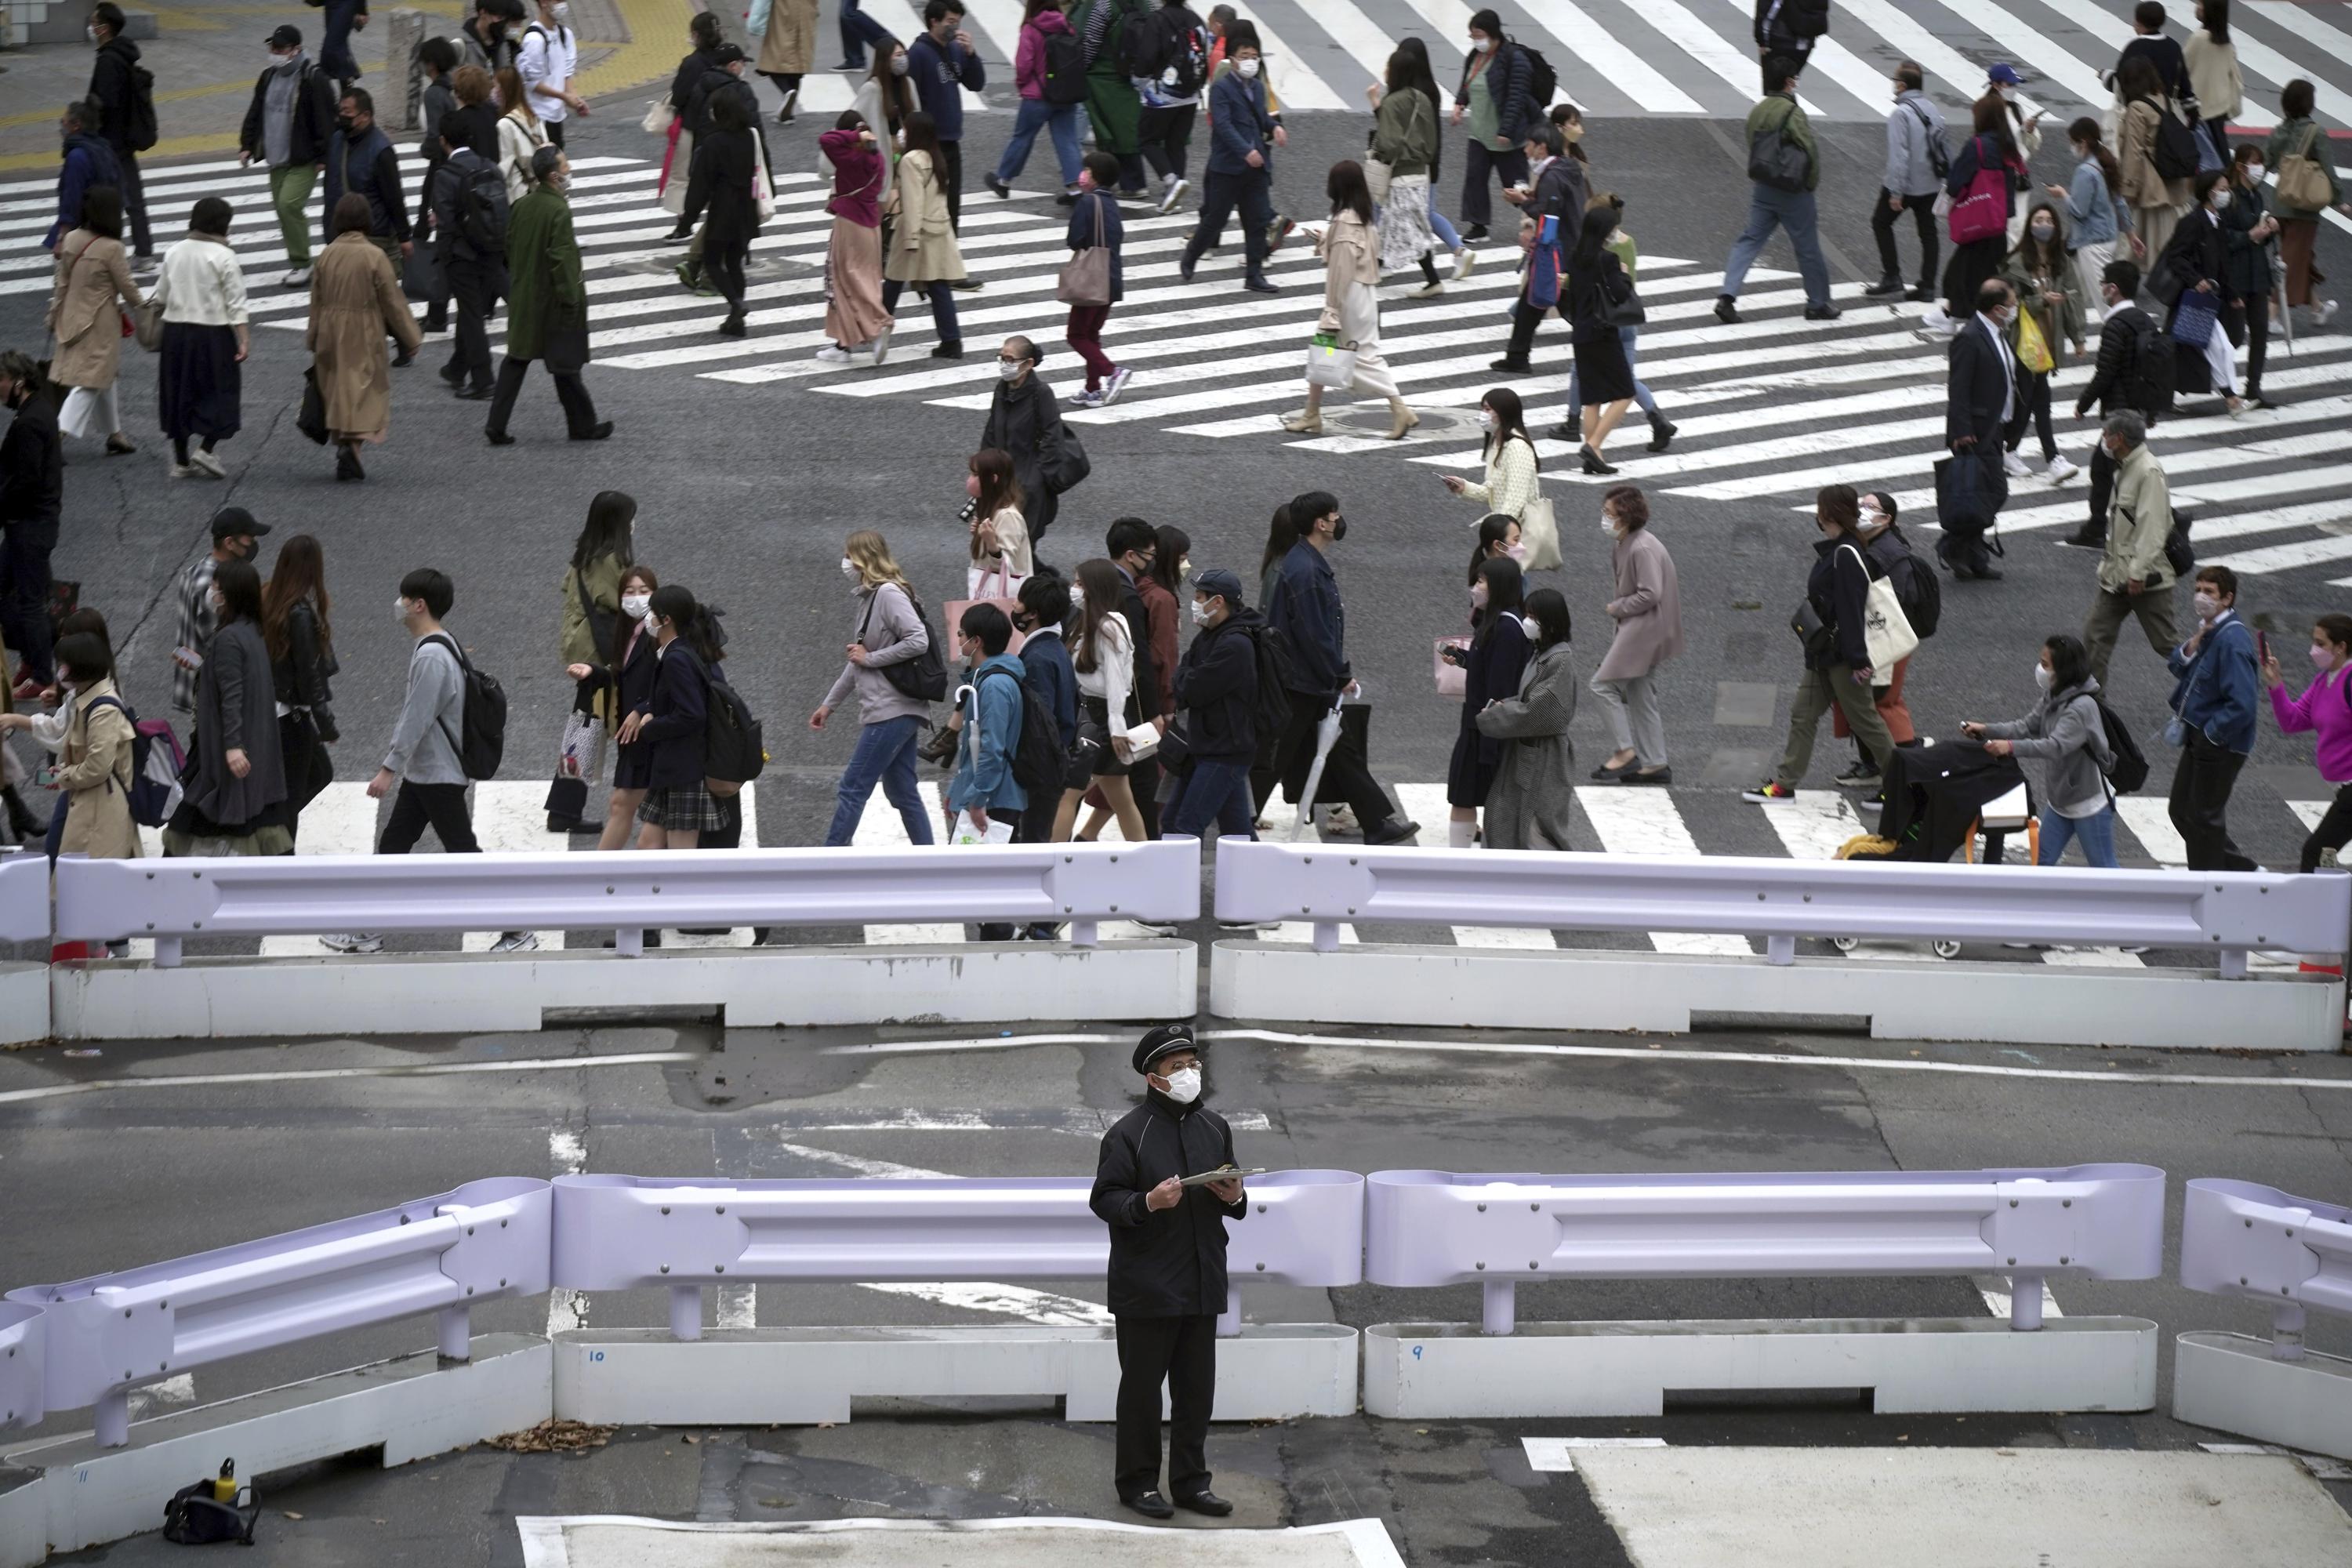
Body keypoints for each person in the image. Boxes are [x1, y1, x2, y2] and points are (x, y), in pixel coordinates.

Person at [324, 567, 533, 955]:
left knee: (464, 855)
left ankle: (518, 928)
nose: (399, 605)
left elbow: (416, 717)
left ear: (419, 605)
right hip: (427, 773)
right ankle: (367, 932)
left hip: (437, 773)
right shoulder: (441, 644)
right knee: (392, 848)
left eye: (404, 598)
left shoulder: (433, 656)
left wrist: (388, 768)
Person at [1091, 1024, 1245, 1519]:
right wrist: (1148, 1202)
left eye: (1193, 1064)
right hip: (1147, 1285)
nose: (1188, 1074)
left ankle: (1191, 1484)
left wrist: (1235, 1195)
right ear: (1154, 1079)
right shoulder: (1128, 1134)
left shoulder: (1215, 1127)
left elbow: (1235, 1195)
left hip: (1202, 1280)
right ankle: (1138, 1485)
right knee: (1142, 1392)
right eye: (1176, 1067)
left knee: (1196, 1391)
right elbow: (1106, 1200)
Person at [1263, 492, 1418, 843]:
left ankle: (1376, 823)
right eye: (1335, 516)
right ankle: (1239, 823)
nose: (1339, 522)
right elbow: (1314, 633)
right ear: (1321, 523)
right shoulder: (1306, 571)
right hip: (1302, 682)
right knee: (1276, 757)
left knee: (1340, 748)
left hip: (1310, 682)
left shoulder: (1305, 561)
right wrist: (1340, 673)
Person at [1743, 486, 1895, 802]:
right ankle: (1785, 784)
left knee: (1865, 721)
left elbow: (1852, 609)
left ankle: (1903, 785)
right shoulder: (1840, 549)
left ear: (1829, 513)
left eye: (1819, 508)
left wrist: (1857, 660)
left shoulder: (1846, 554)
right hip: (1823, 654)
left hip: (1842, 657)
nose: (1817, 513)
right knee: (1803, 714)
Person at [816, 531, 936, 846]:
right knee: (902, 790)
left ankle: (830, 859)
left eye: (848, 555)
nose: (845, 563)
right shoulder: (873, 598)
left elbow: (917, 640)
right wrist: (829, 705)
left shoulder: (888, 595)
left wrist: (872, 659)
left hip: (891, 710)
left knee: (853, 786)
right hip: (900, 708)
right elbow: (858, 660)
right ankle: (930, 860)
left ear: (863, 559)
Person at [163, 558, 288, 858]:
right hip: (251, 744)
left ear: (228, 594)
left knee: (200, 817)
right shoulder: (252, 632)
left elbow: (231, 695)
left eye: (216, 588)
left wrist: (232, 746)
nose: (212, 593)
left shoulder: (228, 637)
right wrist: (204, 666)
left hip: (223, 747)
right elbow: (234, 682)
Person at [488, 147, 611, 444]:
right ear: (554, 175)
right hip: (552, 300)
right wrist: (572, 300)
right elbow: (563, 260)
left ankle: (497, 424)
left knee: (516, 360)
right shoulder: (558, 210)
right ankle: (582, 426)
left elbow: (509, 246)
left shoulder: (522, 205)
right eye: (566, 165)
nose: (569, 170)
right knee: (566, 365)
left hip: (523, 295)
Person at [1962, 635, 2119, 868]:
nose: (2040, 669)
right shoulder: (2054, 694)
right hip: (2061, 802)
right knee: (2040, 864)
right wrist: (1986, 729)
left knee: (2106, 870)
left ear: (2064, 669)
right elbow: (2027, 726)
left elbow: (2054, 746)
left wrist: (2010, 747)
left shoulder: (2080, 709)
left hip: (2089, 805)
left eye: (2045, 665)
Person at [1284, 161, 1414, 437]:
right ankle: (1312, 413)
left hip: (1347, 297)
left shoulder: (1344, 221)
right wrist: (1326, 239)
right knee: (1323, 349)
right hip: (1365, 294)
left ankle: (1400, 407)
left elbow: (1341, 269)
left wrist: (1331, 308)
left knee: (1361, 357)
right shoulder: (1364, 217)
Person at [308, 194, 423, 482]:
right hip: (363, 327)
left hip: (330, 328)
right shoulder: (374, 255)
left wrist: (313, 336)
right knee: (364, 388)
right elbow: (392, 301)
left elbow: (316, 300)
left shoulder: (327, 254)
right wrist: (410, 337)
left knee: (338, 387)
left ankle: (346, 445)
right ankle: (354, 447)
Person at [0, 631, 137, 868]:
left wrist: (63, 775)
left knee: (76, 873)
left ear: (79, 667)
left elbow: (97, 768)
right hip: (86, 797)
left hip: (99, 804)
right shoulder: (84, 697)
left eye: (63, 665)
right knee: (62, 863)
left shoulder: (102, 710)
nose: (60, 671)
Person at [1716, 57, 1836, 325]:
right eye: (1794, 78)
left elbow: (1752, 143)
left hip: (1764, 186)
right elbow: (1809, 151)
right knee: (1807, 247)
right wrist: (1810, 184)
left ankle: (1727, 295)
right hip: (1792, 189)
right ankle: (1817, 303)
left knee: (1749, 240)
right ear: (1788, 82)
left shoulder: (1757, 111)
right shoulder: (1792, 112)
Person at [1555, 195, 1675, 452]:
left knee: (1587, 380)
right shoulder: (1628, 243)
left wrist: (1565, 281)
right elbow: (1625, 284)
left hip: (1597, 323)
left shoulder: (1583, 255)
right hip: (1624, 320)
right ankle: (1656, 419)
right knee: (1625, 380)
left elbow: (1585, 287)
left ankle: (1574, 425)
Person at [2165, 564, 2259, 873]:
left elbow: (2243, 704)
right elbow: (2177, 666)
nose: (2201, 597)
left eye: (2209, 592)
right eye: (2198, 590)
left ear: (2227, 598)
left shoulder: (2233, 641)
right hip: (2199, 736)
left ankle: (2208, 884)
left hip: (2218, 742)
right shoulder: (2210, 629)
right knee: (2181, 811)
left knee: (2203, 818)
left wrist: (2211, 734)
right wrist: (2196, 640)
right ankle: (2242, 871)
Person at [548, 492, 632, 833]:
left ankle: (563, 808)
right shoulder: (610, 559)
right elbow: (623, 600)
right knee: (587, 728)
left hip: (582, 647)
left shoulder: (585, 552)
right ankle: (564, 811)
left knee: (585, 726)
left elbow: (565, 589)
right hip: (599, 656)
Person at [1588, 487, 1682, 786]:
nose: (1604, 519)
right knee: (1641, 694)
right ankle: (1655, 763)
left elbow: (1650, 593)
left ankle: (1626, 751)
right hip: (1646, 627)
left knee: (1602, 686)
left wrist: (1618, 607)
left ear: (1626, 518)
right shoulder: (1626, 542)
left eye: (1609, 514)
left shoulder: (1640, 548)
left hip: (1643, 629)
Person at [1178, 21, 1280, 294]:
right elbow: (1223, 126)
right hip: (1228, 166)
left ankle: (1254, 274)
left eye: (1254, 57)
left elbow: (1259, 118)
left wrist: (1275, 127)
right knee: (1216, 219)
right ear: (1233, 60)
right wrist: (1246, 152)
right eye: (1244, 56)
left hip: (1256, 167)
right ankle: (1191, 255)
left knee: (1257, 220)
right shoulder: (1222, 88)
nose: (1250, 61)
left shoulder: (1258, 88)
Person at [152, 197, 249, 481]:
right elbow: (236, 303)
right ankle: (206, 449)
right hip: (213, 334)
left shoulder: (175, 251)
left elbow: (161, 296)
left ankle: (181, 462)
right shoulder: (223, 256)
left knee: (179, 394)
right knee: (220, 391)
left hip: (176, 334)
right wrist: (243, 339)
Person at [1163, 567, 1261, 844]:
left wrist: (1184, 678)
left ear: (1218, 602)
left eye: (1199, 595)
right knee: (1236, 832)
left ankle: (1175, 887)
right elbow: (1185, 675)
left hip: (1224, 752)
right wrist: (1184, 677)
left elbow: (1192, 689)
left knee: (1184, 827)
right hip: (1206, 746)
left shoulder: (1235, 646)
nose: (1194, 601)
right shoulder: (1210, 635)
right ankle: (1260, 882)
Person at [43, 187, 142, 459]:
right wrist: (146, 307)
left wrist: (53, 314)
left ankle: (115, 435)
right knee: (90, 380)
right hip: (100, 321)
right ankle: (55, 437)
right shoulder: (112, 248)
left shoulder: (73, 238)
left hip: (72, 317)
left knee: (103, 374)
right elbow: (127, 286)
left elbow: (61, 282)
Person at [2081, 410, 2177, 688]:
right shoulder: (2125, 467)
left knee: (2167, 645)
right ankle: (2092, 709)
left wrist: (2138, 572)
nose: (2102, 439)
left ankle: (2209, 691)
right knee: (2095, 636)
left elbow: (2153, 527)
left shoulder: (2148, 471)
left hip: (2145, 580)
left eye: (2106, 434)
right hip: (2116, 578)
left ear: (2118, 439)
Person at [2068, 261, 2161, 550]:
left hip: (2119, 414)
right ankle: (2100, 526)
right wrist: (2152, 411)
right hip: (2139, 410)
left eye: (2104, 284)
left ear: (2113, 289)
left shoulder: (2115, 325)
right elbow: (2155, 368)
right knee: (2124, 470)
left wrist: (2083, 404)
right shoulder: (2145, 320)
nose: (2102, 290)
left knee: (2105, 469)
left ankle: (2098, 528)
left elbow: (2106, 371)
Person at [1475, 586, 1576, 851]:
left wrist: (1494, 716)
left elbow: (1540, 713)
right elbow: (1528, 702)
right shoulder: (1541, 653)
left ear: (1551, 621)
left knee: (1535, 829)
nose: (1528, 621)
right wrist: (1505, 707)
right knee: (1512, 820)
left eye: (1534, 616)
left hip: (1543, 759)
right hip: (1528, 755)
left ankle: (1552, 887)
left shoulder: (1560, 660)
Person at [621, 585, 720, 851]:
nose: (648, 619)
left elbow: (692, 714)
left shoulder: (677, 658)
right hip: (670, 768)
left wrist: (651, 727)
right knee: (647, 846)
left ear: (666, 620)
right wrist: (650, 710)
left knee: (681, 856)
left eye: (653, 612)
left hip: (683, 768)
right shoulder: (677, 652)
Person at [239, 27, 338, 289]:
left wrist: (324, 156)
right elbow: (256, 112)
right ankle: (298, 262)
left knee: (289, 204)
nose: (274, 54)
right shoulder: (268, 76)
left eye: (280, 49)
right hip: (276, 156)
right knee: (282, 211)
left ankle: (304, 263)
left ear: (296, 50)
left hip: (304, 158)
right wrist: (247, 144)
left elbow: (326, 119)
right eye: (272, 48)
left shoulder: (312, 78)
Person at [1060, 557, 1151, 844]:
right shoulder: (1090, 622)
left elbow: (1114, 680)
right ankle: (1148, 862)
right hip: (1100, 718)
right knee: (1122, 799)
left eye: (1078, 583)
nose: (1073, 589)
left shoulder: (1108, 627)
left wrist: (1116, 726)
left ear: (1093, 588)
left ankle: (1053, 861)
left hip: (1103, 722)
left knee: (1066, 796)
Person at [1833, 490, 1922, 782]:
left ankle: (1902, 765)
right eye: (1861, 505)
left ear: (1886, 519)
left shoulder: (1886, 553)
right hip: (1883, 637)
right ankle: (1877, 762)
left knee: (1881, 702)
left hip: (1886, 639)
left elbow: (1893, 601)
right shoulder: (1874, 544)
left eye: (1870, 507)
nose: (1862, 511)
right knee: (1872, 701)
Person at [1443, 556, 1530, 846]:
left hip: (1484, 730)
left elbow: (1500, 688)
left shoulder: (1506, 629)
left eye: (1482, 582)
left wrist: (1489, 746)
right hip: (1482, 727)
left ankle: (1462, 863)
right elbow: (1490, 668)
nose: (1475, 587)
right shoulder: (1498, 622)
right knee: (1471, 797)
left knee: (1467, 798)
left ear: (1499, 587)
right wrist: (1463, 658)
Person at [576, 562, 662, 856]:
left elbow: (673, 681)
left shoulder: (658, 633)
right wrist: (593, 672)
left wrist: (643, 709)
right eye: (629, 591)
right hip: (633, 736)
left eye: (644, 591)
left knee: (626, 806)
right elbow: (621, 674)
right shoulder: (628, 632)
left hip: (652, 734)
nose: (636, 597)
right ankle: (603, 876)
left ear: (656, 594)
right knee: (632, 808)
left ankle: (598, 877)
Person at [1998, 205, 2087, 485]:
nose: (2044, 224)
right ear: (2030, 226)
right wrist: (2042, 301)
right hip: (2023, 344)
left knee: (2030, 402)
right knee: (2037, 401)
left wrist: (2078, 336)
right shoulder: (2015, 265)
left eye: (2049, 220)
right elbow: (2006, 309)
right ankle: (2053, 459)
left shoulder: (2061, 263)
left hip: (2046, 344)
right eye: (2039, 220)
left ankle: (2008, 450)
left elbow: (2073, 299)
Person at [1924, 96, 2025, 337]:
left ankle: (1960, 318)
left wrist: (1950, 197)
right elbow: (2011, 184)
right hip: (1997, 223)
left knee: (1961, 274)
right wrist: (2004, 214)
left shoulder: (1977, 145)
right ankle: (1954, 315)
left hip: (1978, 224)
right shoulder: (2007, 145)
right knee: (1986, 275)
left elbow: (1958, 179)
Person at [260, 532, 338, 847]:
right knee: (297, 791)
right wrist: (327, 724)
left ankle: (271, 832)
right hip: (294, 717)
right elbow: (308, 675)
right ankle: (275, 849)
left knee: (315, 776)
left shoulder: (270, 598)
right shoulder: (301, 614)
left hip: (274, 712)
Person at [1941, 278, 2019, 582]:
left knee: (1982, 494)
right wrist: (1962, 429)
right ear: (1998, 309)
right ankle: (1954, 545)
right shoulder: (1970, 337)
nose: (2015, 309)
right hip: (1975, 430)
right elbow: (1958, 388)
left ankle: (1973, 556)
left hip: (1995, 427)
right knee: (1992, 491)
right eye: (2012, 305)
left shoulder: (1997, 333)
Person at [2263, 614, 2352, 873]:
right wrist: (2276, 684)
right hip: (2343, 787)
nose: (2314, 649)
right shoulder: (2324, 679)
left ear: (2341, 647)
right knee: (2323, 854)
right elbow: (2292, 722)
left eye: (2320, 643)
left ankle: (2315, 912)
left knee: (2315, 852)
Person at [2154, 171, 2247, 416]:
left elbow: (2223, 264)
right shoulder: (2192, 222)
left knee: (2204, 349)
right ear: (2209, 192)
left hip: (2208, 299)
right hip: (2193, 300)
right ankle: (2232, 399)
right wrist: (2196, 280)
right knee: (2220, 348)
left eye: (2227, 189)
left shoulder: (2218, 221)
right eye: (2223, 189)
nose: (2226, 194)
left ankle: (2230, 398)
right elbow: (2176, 256)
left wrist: (2231, 293)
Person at [0, 354, 64, 702]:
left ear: (18, 383)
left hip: (28, 525)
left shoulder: (28, 423)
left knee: (29, 602)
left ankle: (42, 673)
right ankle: (31, 658)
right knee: (20, 595)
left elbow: (23, 482)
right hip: (32, 522)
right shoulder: (38, 410)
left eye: (1, 382)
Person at [881, 111, 967, 359]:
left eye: (905, 129)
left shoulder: (910, 160)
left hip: (915, 230)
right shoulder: (935, 156)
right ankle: (951, 341)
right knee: (938, 286)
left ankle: (874, 328)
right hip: (938, 229)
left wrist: (910, 239)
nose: (902, 132)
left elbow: (914, 201)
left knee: (893, 283)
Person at [430, 126, 506, 401]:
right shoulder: (490, 167)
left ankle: (483, 379)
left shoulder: (446, 174)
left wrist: (444, 249)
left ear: (444, 140)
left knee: (471, 314)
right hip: (492, 249)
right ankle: (457, 368)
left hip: (463, 255)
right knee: (471, 310)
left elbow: (446, 221)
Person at [2265, 80, 2348, 332]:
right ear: (2309, 104)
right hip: (2305, 208)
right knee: (2292, 259)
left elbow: (2267, 161)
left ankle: (2318, 308)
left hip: (2281, 204)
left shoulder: (2280, 130)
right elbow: (2329, 170)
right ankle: (2271, 314)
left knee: (2299, 256)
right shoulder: (2316, 132)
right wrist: (2339, 201)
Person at [322, 88, 412, 318]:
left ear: (366, 116)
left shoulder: (380, 150)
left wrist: (403, 236)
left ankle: (402, 343)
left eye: (347, 112)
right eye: (340, 110)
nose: (342, 116)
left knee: (380, 301)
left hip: (374, 237)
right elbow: (330, 185)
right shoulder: (337, 140)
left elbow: (394, 196)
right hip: (340, 235)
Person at [946, 603, 1029, 851]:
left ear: (976, 641)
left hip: (994, 800)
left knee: (973, 882)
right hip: (991, 795)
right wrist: (959, 788)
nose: (958, 639)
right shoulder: (989, 678)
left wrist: (978, 800)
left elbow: (992, 747)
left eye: (961, 634)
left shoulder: (994, 686)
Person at [1562, 205, 1638, 475]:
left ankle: (1593, 458)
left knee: (1592, 398)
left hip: (1581, 332)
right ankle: (1593, 445)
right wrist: (1625, 274)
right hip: (1602, 333)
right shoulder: (1607, 260)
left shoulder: (1575, 256)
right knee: (1626, 392)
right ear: (1606, 231)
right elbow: (1619, 294)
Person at [1392, 36, 1474, 284]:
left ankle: (1456, 252)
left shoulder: (1409, 93)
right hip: (1432, 159)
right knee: (1425, 212)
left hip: (1412, 162)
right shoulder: (1431, 88)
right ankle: (1459, 251)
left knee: (1413, 213)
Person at [168, 507, 264, 717]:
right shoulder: (215, 589)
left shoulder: (196, 570)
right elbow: (220, 645)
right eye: (249, 541)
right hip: (216, 692)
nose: (254, 546)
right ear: (229, 543)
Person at [986, 0, 1084, 203]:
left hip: (1037, 95)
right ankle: (1075, 188)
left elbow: (1024, 65)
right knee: (1067, 140)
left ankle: (1004, 181)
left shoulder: (1031, 29)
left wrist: (1023, 86)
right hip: (1065, 93)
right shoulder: (1067, 26)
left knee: (1022, 137)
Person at [688, 88, 766, 339]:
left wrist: (688, 218)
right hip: (747, 208)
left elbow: (700, 184)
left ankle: (736, 303)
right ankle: (736, 321)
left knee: (712, 261)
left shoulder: (713, 142)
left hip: (723, 209)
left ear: (720, 113)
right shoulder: (748, 137)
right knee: (734, 262)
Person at [818, 114, 895, 365]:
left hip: (849, 224)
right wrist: (861, 133)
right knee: (866, 278)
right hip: (871, 225)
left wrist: (853, 135)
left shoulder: (850, 157)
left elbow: (826, 140)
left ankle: (877, 324)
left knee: (845, 280)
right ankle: (844, 343)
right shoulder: (878, 158)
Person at [981, 336, 1074, 543]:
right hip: (1003, 480)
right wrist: (984, 465)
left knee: (1021, 544)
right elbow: (992, 428)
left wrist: (1037, 479)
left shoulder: (1041, 393)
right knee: (1005, 542)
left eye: (1010, 359)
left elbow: (1053, 438)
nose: (1005, 365)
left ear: (1028, 363)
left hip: (1029, 487)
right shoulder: (1002, 388)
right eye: (1001, 358)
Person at [1450, 10, 1531, 244]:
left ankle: (1537, 217)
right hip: (1479, 133)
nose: (1476, 40)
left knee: (1516, 186)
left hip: (1506, 134)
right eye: (1473, 36)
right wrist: (1460, 103)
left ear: (1494, 34)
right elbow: (1468, 82)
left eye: (1479, 35)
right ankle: (1478, 226)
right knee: (1475, 179)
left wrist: (1506, 130)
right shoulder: (1475, 56)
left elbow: (1517, 97)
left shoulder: (1514, 59)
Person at [1013, 568, 1078, 860]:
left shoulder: (1037, 658)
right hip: (1053, 764)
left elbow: (1040, 724)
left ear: (1032, 613)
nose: (1014, 607)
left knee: (1030, 847)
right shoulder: (1055, 649)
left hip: (1039, 771)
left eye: (1019, 601)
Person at [1867, 61, 1945, 302]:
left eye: (1895, 82)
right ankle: (1928, 286)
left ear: (1902, 86)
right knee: (1928, 233)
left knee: (1881, 222)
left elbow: (1899, 156)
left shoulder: (1901, 114)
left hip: (1908, 184)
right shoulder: (1932, 109)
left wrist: (1896, 192)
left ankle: (1892, 276)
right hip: (1931, 183)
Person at [1367, 49, 1442, 297]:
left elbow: (1389, 141)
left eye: (1389, 67)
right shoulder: (1422, 99)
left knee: (1407, 229)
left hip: (1401, 174)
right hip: (1421, 172)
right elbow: (1431, 139)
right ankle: (1372, 274)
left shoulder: (1392, 102)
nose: (1386, 71)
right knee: (1396, 225)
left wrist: (1377, 153)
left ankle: (1433, 281)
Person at [2048, 118, 2139, 322]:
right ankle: (2064, 329)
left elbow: (2079, 211)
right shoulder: (2104, 163)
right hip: (2108, 238)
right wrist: (2131, 235)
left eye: (2073, 142)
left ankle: (2120, 333)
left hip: (2091, 243)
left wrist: (2063, 194)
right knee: (2071, 289)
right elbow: (2120, 203)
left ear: (2083, 142)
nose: (2072, 147)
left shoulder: (2085, 171)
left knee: (2105, 300)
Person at [906, 2, 985, 226]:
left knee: (952, 204)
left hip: (952, 139)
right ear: (934, 21)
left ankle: (949, 252)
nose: (956, 27)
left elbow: (976, 84)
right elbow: (910, 99)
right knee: (930, 202)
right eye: (951, 22)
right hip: (928, 143)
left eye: (958, 21)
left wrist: (971, 55)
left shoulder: (955, 49)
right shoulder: (919, 53)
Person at [85, 5, 153, 266]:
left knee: (99, 196)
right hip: (126, 138)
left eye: (94, 22)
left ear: (104, 28)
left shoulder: (107, 60)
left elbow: (105, 102)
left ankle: (96, 253)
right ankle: (145, 253)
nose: (91, 27)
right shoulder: (123, 54)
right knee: (133, 197)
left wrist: (91, 126)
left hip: (109, 140)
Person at [1064, 151, 1129, 406]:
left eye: (1087, 171)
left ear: (1096, 176)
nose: (1083, 175)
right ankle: (1092, 389)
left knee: (1076, 335)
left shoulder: (1087, 203)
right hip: (1112, 278)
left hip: (1093, 279)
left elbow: (1075, 241)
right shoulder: (1112, 204)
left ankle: (1113, 372)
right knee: (1091, 335)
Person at [2220, 145, 2281, 408]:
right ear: (2241, 166)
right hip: (2235, 277)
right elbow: (2221, 237)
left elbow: (2259, 239)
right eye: (2255, 163)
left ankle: (2253, 388)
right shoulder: (2228, 198)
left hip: (2258, 274)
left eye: (2261, 162)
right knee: (2232, 336)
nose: (2260, 168)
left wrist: (2270, 231)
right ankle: (2226, 389)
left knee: (2260, 332)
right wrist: (2250, 236)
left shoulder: (2256, 196)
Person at [2117, 56, 2192, 270]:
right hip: (2174, 179)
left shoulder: (2137, 109)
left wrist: (2128, 189)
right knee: (2172, 238)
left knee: (2135, 240)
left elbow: (2133, 152)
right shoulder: (2165, 100)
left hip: (2150, 184)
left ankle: (2124, 279)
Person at [1137, 0, 1210, 216]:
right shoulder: (1196, 20)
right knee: (1176, 142)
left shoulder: (1158, 19)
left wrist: (1139, 74)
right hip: (1190, 92)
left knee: (1146, 139)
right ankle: (1173, 196)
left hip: (1163, 92)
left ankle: (1171, 180)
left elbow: (1147, 56)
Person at [1439, 387, 1538, 538]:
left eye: (1488, 409)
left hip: (1518, 536)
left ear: (1504, 413)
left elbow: (1516, 500)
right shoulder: (1496, 444)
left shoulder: (1517, 447)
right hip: (1509, 532)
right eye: (1483, 409)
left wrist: (1498, 534)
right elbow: (1495, 493)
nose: (1483, 415)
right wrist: (1464, 487)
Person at [1076, 0, 1146, 198]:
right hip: (1137, 76)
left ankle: (1115, 181)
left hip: (1103, 78)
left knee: (1109, 132)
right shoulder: (1149, 4)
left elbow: (1091, 41)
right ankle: (1134, 182)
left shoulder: (1105, 6)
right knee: (1130, 132)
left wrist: (1082, 67)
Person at [46, 100, 121, 256]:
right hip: (106, 229)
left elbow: (71, 200)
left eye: (63, 121)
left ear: (76, 125)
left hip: (82, 235)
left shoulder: (77, 157)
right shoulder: (104, 148)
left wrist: (61, 239)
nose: (61, 126)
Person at [852, 39, 920, 208]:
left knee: (907, 207)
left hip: (906, 154)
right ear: (885, 60)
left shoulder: (909, 85)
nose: (903, 59)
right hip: (885, 154)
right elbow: (854, 120)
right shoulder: (872, 89)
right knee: (890, 208)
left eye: (904, 54)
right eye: (898, 55)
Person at [517, 0, 585, 147]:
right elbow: (531, 83)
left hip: (556, 115)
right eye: (558, 1)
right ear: (543, 3)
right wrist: (563, 96)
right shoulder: (534, 39)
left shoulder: (565, 34)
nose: (562, 5)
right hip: (537, 117)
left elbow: (567, 72)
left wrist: (574, 98)